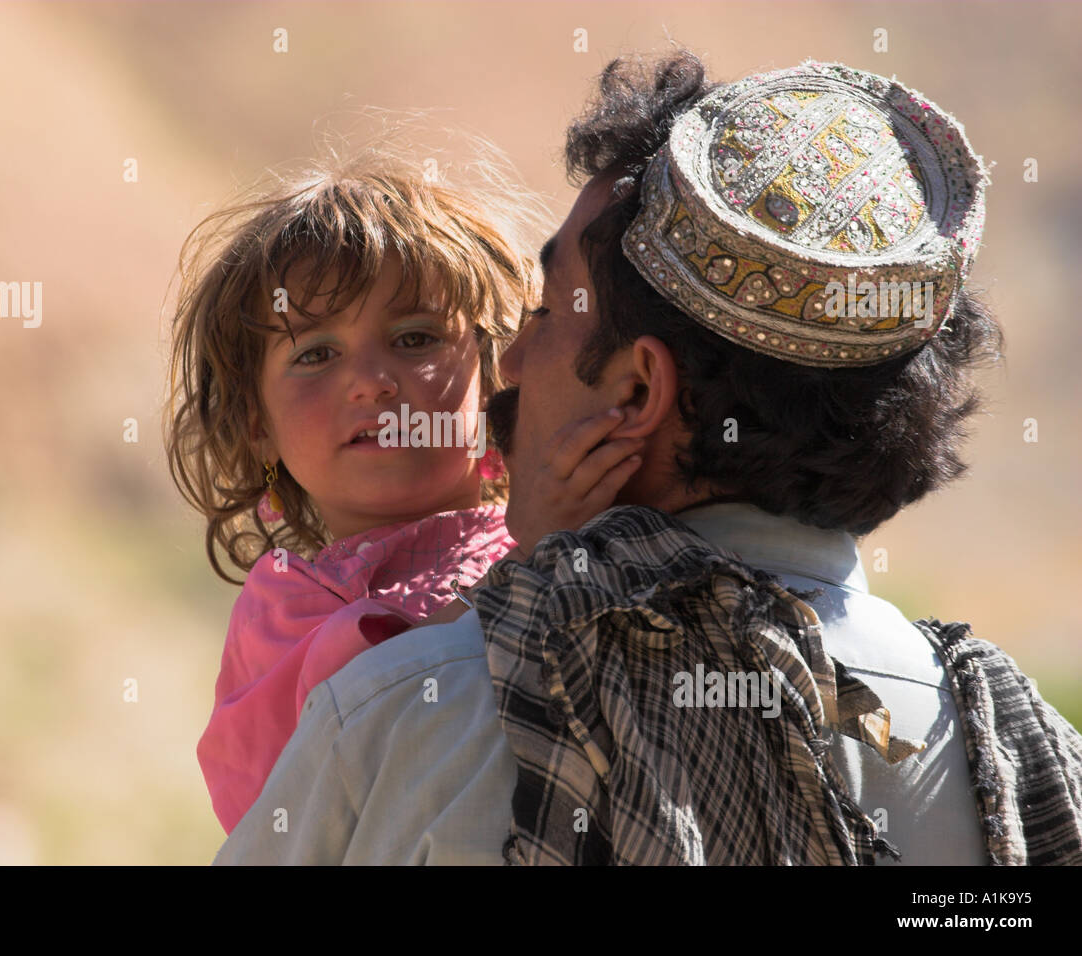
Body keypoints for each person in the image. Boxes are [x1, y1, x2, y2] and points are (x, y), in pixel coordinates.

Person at [212, 53, 1082, 865]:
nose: (507, 366)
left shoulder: (413, 713)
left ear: (635, 394)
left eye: (544, 317)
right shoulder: (1011, 747)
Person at [164, 135, 634, 834]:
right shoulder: (291, 600)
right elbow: (383, 708)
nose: (371, 382)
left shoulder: (559, 520)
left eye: (415, 339)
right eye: (316, 354)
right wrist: (536, 554)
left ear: (499, 373)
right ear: (256, 426)